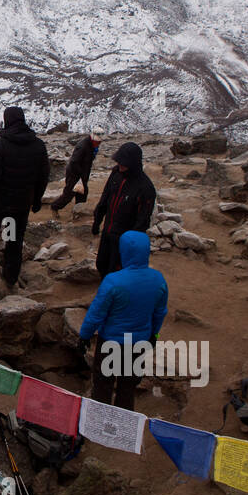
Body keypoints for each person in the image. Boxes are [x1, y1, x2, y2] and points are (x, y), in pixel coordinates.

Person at [76, 231, 167, 411]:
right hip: (139, 342)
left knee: (103, 384)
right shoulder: (158, 279)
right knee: (127, 387)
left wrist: (84, 335)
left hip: (111, 341)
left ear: (123, 252)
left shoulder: (114, 281)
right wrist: (154, 334)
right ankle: (123, 426)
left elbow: (96, 314)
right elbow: (160, 313)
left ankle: (98, 425)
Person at [0, 106, 50, 289]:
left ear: (7, 120)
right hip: (20, 204)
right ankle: (10, 276)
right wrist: (37, 200)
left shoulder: (1, 145)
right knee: (13, 238)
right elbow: (43, 177)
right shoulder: (38, 145)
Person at [91, 142, 156, 277]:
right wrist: (97, 220)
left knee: (116, 270)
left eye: (124, 163)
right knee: (101, 264)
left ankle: (114, 294)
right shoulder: (116, 173)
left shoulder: (145, 188)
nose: (120, 166)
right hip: (108, 230)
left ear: (133, 164)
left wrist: (131, 244)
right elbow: (105, 198)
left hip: (123, 239)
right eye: (119, 161)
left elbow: (142, 221)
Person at [51, 127, 104, 218]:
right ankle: (55, 207)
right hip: (74, 174)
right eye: (98, 142)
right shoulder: (83, 146)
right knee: (69, 194)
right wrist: (80, 176)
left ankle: (78, 212)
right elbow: (74, 162)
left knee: (82, 193)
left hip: (82, 174)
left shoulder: (92, 146)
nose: (99, 144)